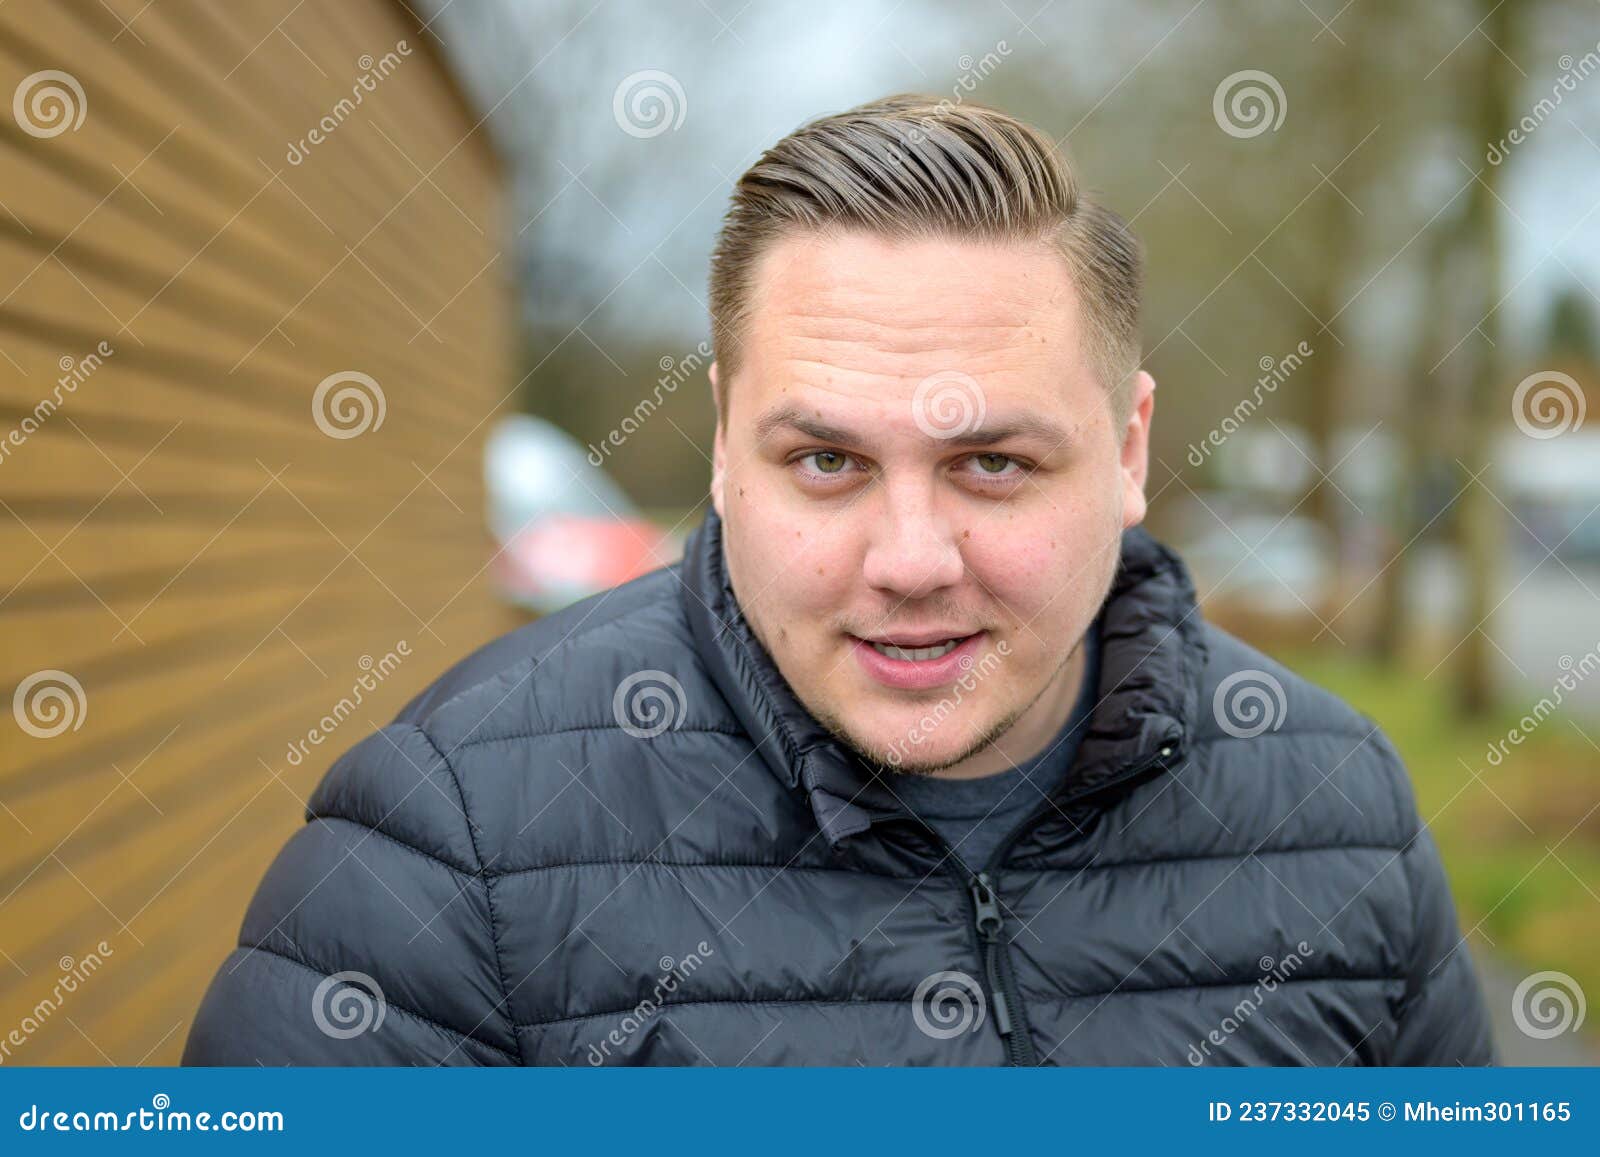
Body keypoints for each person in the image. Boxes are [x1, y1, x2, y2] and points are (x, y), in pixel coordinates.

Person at [183, 94, 1495, 1066]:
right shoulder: (440, 853)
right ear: (722, 446)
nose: (910, 561)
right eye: (824, 459)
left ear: (1130, 447)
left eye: (991, 462)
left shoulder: (1339, 812)